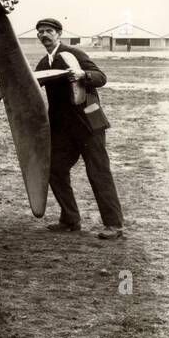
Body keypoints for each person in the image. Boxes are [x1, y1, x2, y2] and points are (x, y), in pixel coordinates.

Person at [34, 18, 124, 239]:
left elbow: (101, 77)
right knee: (54, 168)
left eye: (49, 31)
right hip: (64, 131)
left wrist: (84, 75)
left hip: (89, 125)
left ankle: (114, 226)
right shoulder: (44, 64)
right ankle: (70, 220)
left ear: (59, 34)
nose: (44, 35)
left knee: (98, 173)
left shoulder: (74, 54)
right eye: (41, 32)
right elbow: (30, 86)